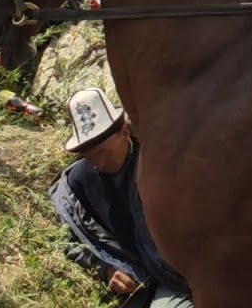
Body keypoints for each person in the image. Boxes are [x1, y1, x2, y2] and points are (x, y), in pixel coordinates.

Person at [49, 89, 191, 307]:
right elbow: (70, 240)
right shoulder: (78, 184)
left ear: (124, 133)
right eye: (90, 155)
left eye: (103, 152)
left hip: (199, 264)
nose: (98, 163)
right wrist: (106, 269)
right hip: (158, 281)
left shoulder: (161, 159)